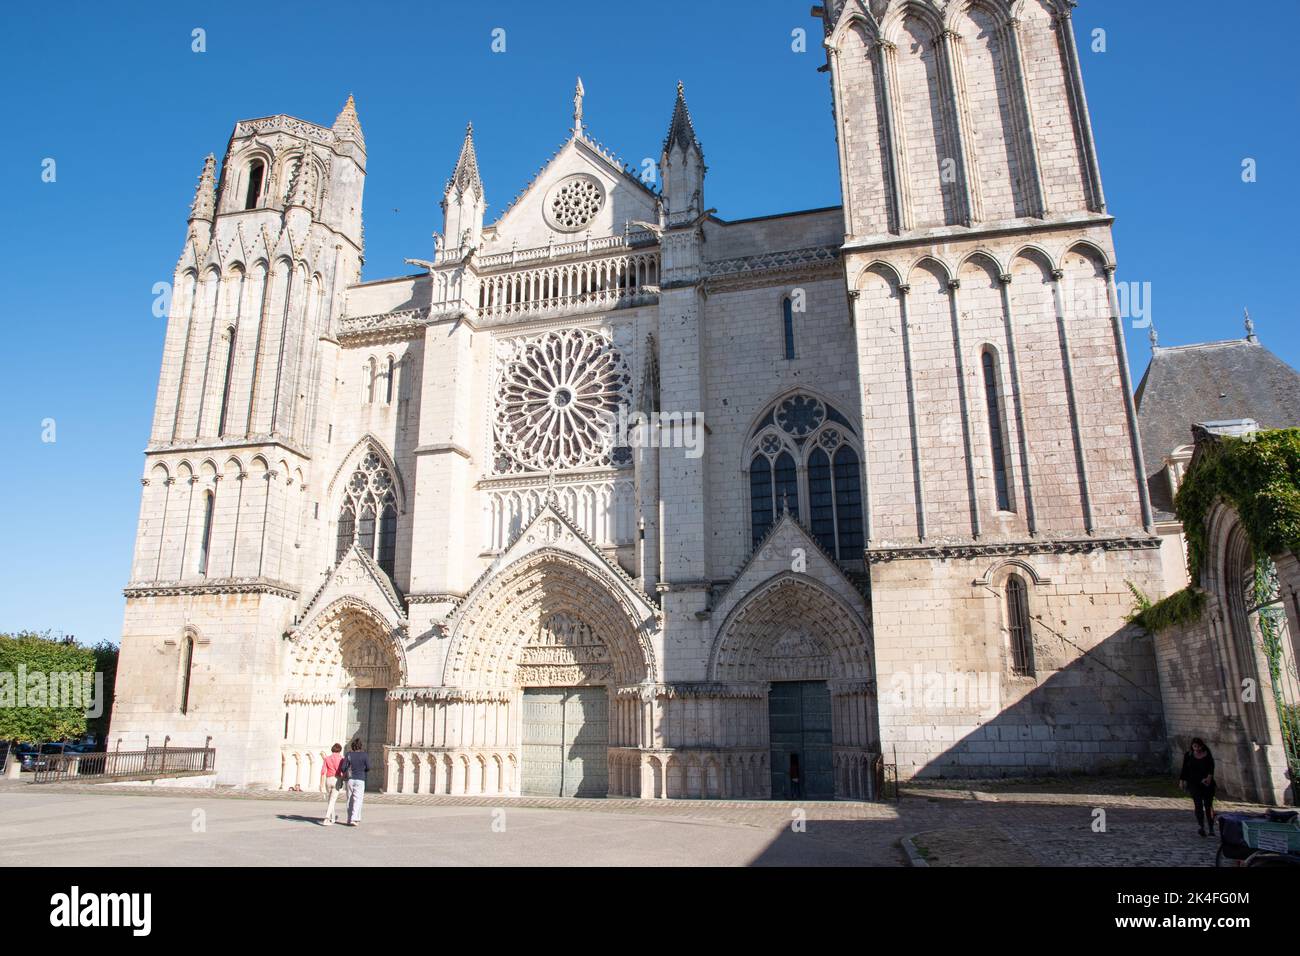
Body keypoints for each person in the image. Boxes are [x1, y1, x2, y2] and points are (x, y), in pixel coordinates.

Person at [1179, 737, 1217, 837]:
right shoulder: (1189, 755)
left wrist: (1209, 778)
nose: (1196, 748)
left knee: (1208, 805)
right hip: (1194, 783)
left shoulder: (1207, 755)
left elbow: (1211, 767)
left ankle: (1211, 827)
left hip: (1207, 784)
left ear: (1201, 746)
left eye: (1197, 746)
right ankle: (1201, 826)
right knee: (1198, 805)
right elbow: (1185, 769)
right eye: (1194, 746)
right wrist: (1182, 781)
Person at [342, 737, 370, 827]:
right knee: (358, 799)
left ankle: (350, 819)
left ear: (353, 746)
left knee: (349, 799)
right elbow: (368, 767)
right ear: (360, 746)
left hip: (350, 779)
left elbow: (343, 768)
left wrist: (348, 770)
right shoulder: (364, 755)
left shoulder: (349, 754)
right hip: (360, 779)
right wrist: (362, 770)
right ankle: (354, 819)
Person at [321, 742, 344, 825]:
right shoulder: (341, 759)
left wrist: (321, 784)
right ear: (340, 750)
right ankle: (326, 818)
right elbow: (342, 770)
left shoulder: (327, 758)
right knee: (332, 800)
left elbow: (323, 771)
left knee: (330, 800)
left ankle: (332, 817)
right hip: (336, 779)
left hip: (328, 779)